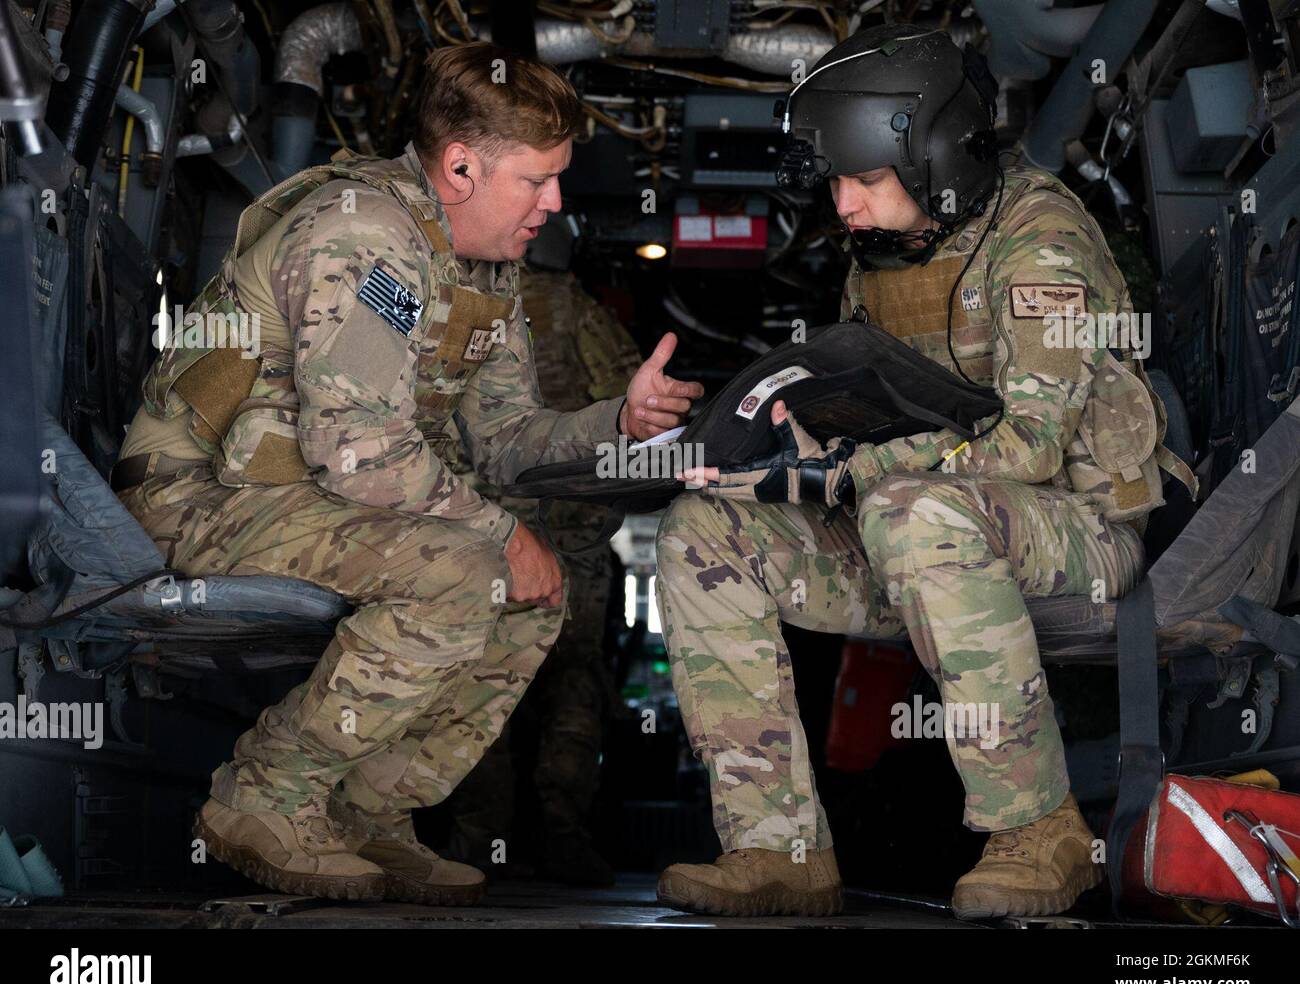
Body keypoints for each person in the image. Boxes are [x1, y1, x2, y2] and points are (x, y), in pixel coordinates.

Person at [112, 42, 702, 905]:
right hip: (201, 498)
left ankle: (364, 813)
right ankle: (265, 801)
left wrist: (614, 419)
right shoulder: (365, 238)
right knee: (467, 570)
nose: (556, 202)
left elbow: (503, 439)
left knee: (538, 591)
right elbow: (358, 452)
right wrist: (501, 535)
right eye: (537, 180)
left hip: (303, 495)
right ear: (460, 167)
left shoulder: (482, 265)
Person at [653, 24, 1193, 919]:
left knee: (917, 512)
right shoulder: (883, 259)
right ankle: (778, 846)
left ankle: (1042, 828)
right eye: (836, 182)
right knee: (699, 532)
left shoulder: (1038, 238)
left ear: (938, 158)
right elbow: (872, 414)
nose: (847, 207)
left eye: (866, 180)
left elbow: (1032, 446)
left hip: (1082, 528)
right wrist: (792, 462)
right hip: (919, 526)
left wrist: (861, 474)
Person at [443, 231, 642, 887]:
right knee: (572, 676)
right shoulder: (577, 309)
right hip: (568, 520)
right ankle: (562, 831)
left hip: (485, 525)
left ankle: (478, 841)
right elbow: (632, 405)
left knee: (478, 674)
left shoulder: (457, 303)